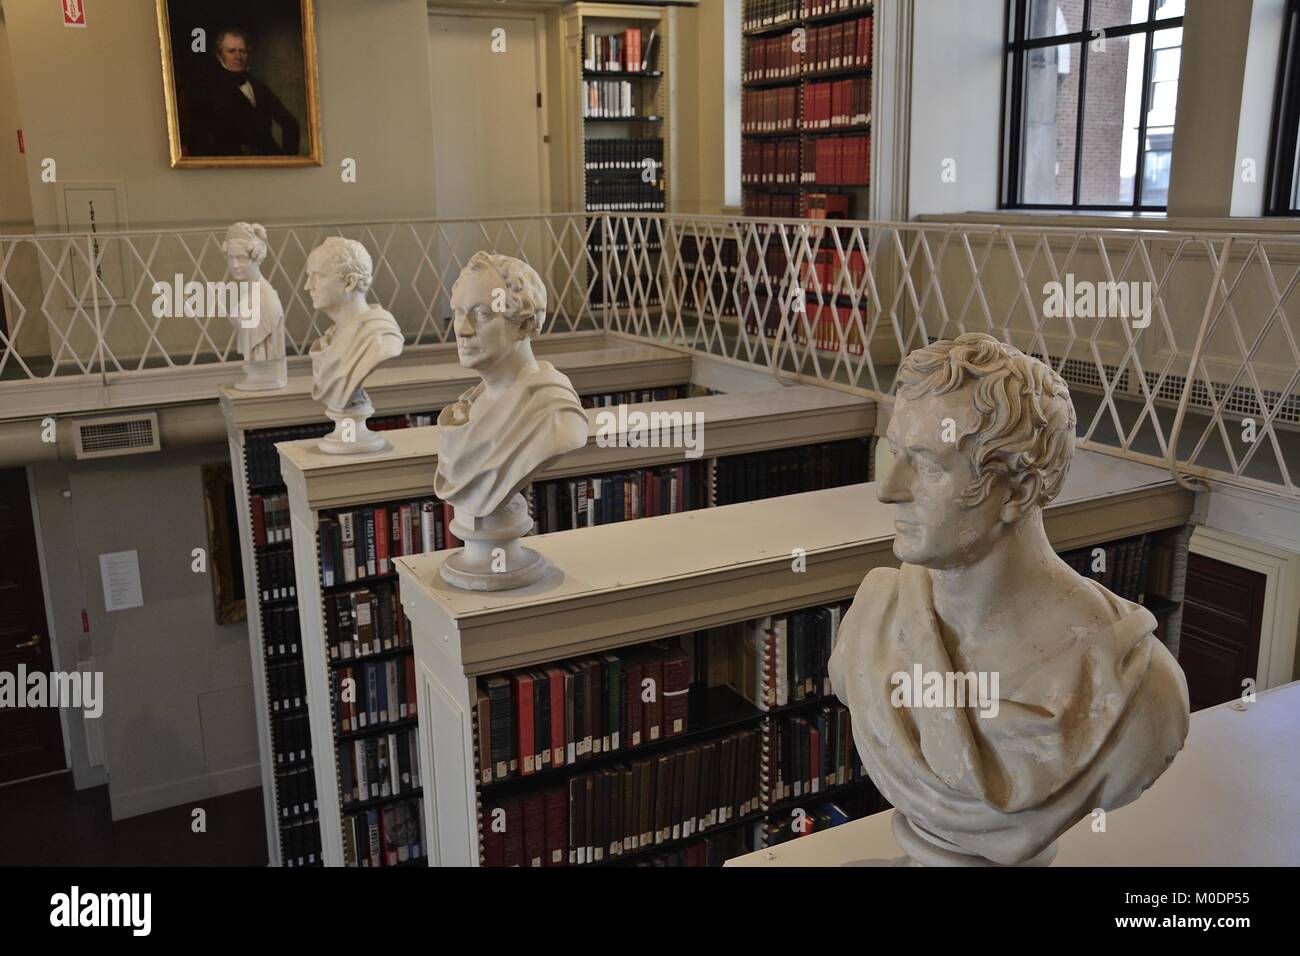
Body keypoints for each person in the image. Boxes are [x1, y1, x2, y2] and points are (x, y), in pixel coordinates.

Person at [828, 332, 1189, 866]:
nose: (888, 488)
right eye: (895, 453)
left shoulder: (1139, 691)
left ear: (1016, 492)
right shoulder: (873, 618)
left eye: (927, 465)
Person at [434, 252, 588, 519]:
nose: (462, 329)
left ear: (524, 324)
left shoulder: (553, 413)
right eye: (459, 313)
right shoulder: (470, 406)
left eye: (482, 314)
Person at [306, 238, 403, 414]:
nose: (308, 286)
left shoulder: (379, 336)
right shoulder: (331, 337)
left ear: (349, 282)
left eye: (318, 276)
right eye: (308, 276)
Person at [186, 27, 300, 157]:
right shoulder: (209, 90)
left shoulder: (261, 89)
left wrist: (288, 160)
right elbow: (198, 138)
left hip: (270, 163)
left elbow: (291, 124)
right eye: (231, 51)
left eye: (243, 51)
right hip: (233, 167)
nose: (238, 57)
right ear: (219, 56)